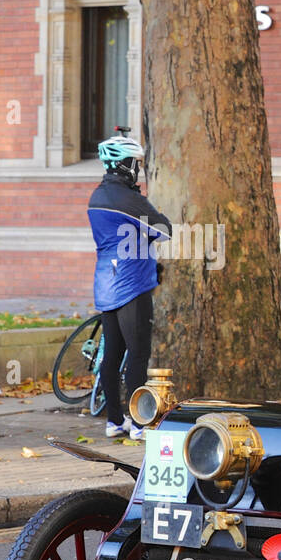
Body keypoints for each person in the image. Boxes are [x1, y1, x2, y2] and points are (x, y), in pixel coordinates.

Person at [87, 132, 171, 440]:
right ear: (123, 164)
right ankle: (138, 425)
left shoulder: (97, 196)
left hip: (105, 282)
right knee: (137, 355)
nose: (138, 168)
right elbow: (165, 230)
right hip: (132, 283)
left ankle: (114, 421)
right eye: (135, 162)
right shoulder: (129, 198)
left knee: (112, 356)